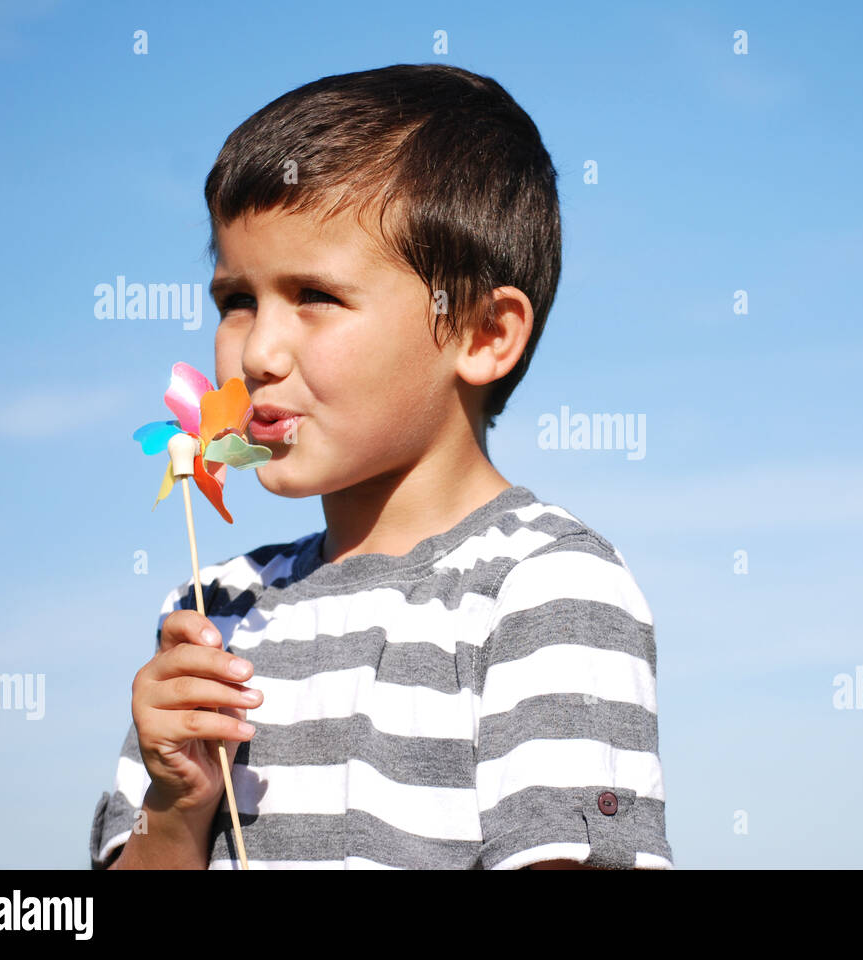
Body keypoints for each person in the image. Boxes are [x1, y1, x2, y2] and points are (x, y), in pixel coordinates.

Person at [88, 64, 672, 870]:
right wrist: (176, 805)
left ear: (482, 333)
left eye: (316, 296)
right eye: (237, 300)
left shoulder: (545, 587)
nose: (258, 350)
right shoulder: (215, 609)